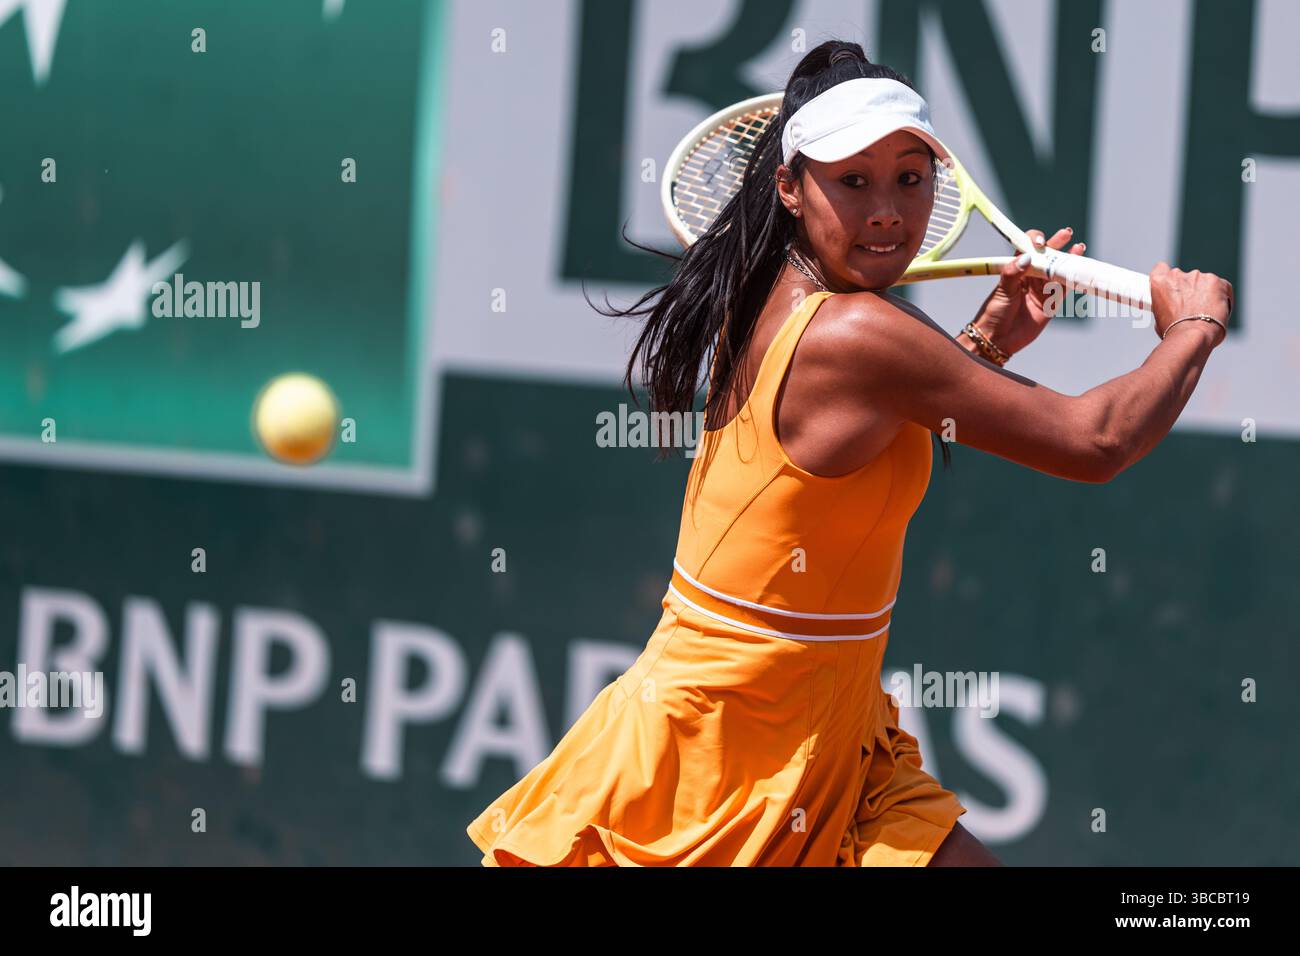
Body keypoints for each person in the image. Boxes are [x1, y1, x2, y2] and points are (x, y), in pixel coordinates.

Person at [464, 40, 1231, 867]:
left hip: (834, 733)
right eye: (853, 181)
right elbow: (1097, 442)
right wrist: (1194, 326)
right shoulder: (859, 331)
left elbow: (869, 431)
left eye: (910, 178)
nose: (889, 213)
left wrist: (984, 342)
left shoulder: (781, 296)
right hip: (726, 755)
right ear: (790, 187)